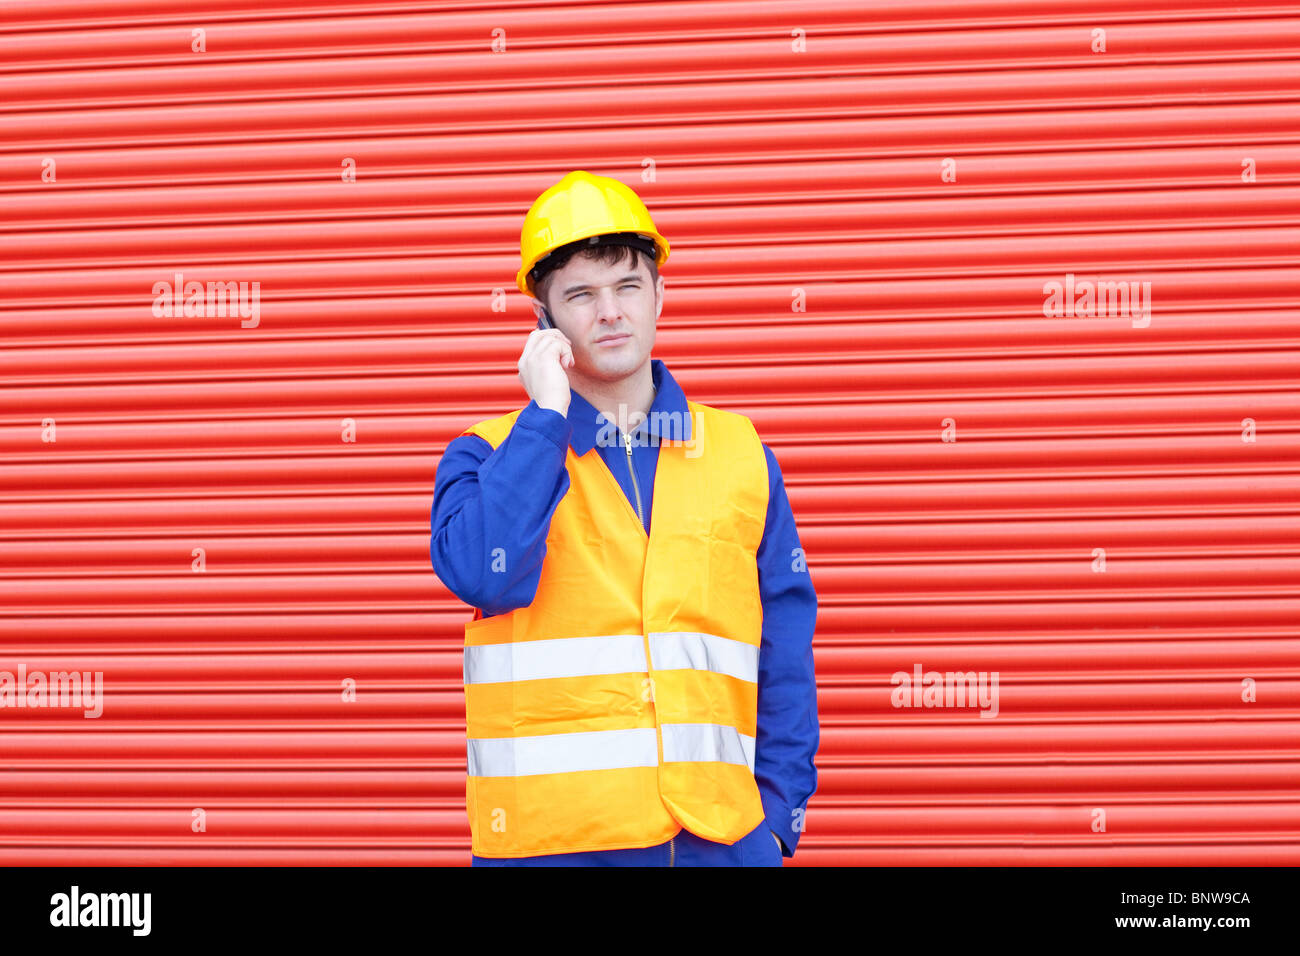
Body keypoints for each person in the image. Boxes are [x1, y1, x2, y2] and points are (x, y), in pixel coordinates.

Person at [431, 170, 819, 866]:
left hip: (719, 844)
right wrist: (545, 419)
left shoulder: (740, 454)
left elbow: (784, 649)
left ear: (660, 295)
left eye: (627, 287)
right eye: (581, 295)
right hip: (555, 848)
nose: (609, 312)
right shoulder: (486, 455)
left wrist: (777, 820)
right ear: (545, 323)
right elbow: (482, 575)